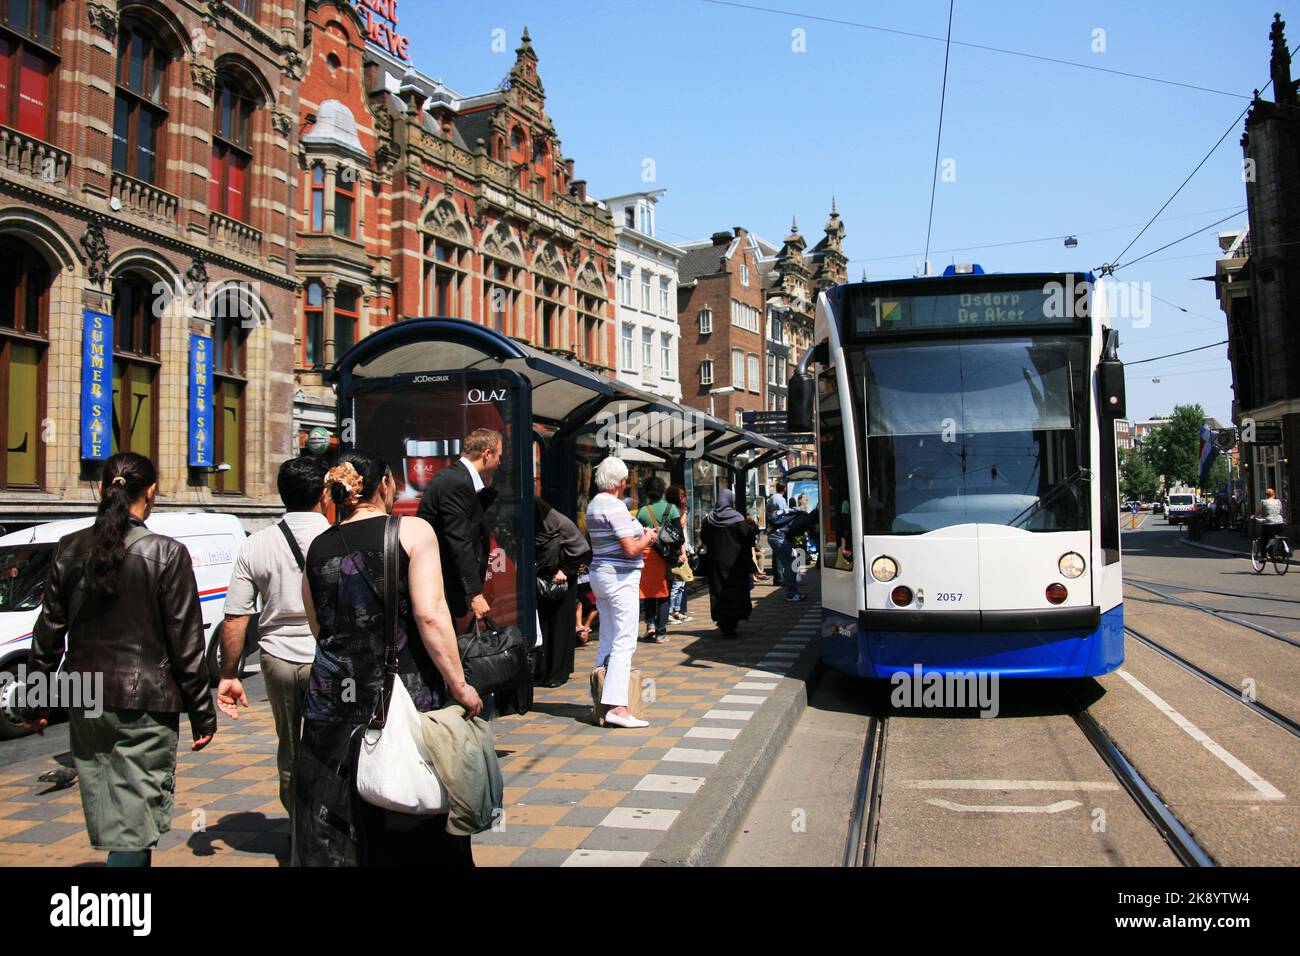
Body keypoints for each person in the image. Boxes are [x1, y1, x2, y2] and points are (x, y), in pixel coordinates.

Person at [26, 452, 216, 867]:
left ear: (101, 489)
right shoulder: (166, 553)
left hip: (85, 698)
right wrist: (203, 713)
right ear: (150, 493)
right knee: (132, 820)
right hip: (144, 702)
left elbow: (48, 635)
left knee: (112, 809)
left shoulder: (69, 548)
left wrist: (34, 702)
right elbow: (186, 645)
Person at [296, 450, 484, 867]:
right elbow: (431, 615)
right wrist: (460, 685)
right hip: (404, 690)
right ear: (383, 485)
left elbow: (318, 625)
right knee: (411, 804)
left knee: (346, 819)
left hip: (333, 698)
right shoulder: (412, 532)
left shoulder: (317, 547)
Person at [216, 457, 330, 848]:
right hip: (328, 656)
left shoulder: (255, 545)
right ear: (324, 493)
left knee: (291, 747)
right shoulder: (339, 536)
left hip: (278, 657)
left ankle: (298, 832)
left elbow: (235, 619)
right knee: (334, 742)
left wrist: (229, 674)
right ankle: (329, 829)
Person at [586, 457, 659, 729]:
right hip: (620, 578)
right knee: (624, 641)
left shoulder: (593, 505)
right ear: (620, 482)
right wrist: (648, 539)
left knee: (607, 638)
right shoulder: (615, 506)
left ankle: (599, 698)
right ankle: (617, 707)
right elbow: (630, 549)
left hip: (600, 575)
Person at [416, 428, 502, 623]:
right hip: (440, 582)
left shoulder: (460, 479)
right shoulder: (456, 482)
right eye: (498, 456)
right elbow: (459, 539)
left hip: (443, 581)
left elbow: (470, 521)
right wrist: (475, 593)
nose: (499, 462)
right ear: (486, 454)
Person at [535, 497, 591, 687]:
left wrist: (565, 571)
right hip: (543, 581)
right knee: (545, 627)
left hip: (562, 583)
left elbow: (582, 550)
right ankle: (543, 670)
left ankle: (558, 673)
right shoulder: (540, 527)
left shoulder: (560, 523)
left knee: (560, 628)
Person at [700, 489, 759, 637]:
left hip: (716, 564)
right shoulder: (737, 518)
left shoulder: (709, 520)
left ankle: (723, 620)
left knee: (718, 592)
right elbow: (749, 538)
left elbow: (704, 538)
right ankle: (732, 623)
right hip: (736, 564)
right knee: (735, 592)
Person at [637, 476, 679, 644]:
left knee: (648, 592)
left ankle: (650, 626)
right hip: (666, 556)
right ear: (662, 491)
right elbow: (679, 536)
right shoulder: (672, 509)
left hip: (648, 555)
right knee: (664, 593)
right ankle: (661, 633)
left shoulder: (642, 511)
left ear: (647, 491)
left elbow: (638, 535)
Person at [767, 479, 805, 602]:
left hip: (773, 534)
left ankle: (781, 580)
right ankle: (791, 593)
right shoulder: (781, 500)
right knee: (791, 564)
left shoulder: (771, 499)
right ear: (784, 489)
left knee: (784, 561)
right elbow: (786, 519)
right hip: (780, 536)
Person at [666, 484, 693, 625]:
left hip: (683, 549)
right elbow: (681, 526)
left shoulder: (678, 509)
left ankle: (677, 611)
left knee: (681, 583)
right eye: (682, 495)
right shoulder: (674, 510)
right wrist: (685, 513)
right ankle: (670, 612)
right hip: (677, 551)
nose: (685, 498)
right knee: (676, 584)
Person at [1255, 487, 1284, 554]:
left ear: (1267, 495)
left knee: (1264, 539)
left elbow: (1258, 511)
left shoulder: (1264, 502)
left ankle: (1263, 556)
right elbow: (1281, 512)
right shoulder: (1278, 502)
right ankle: (1277, 550)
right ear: (1274, 494)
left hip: (1269, 524)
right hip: (1279, 523)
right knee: (1276, 536)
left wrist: (1254, 516)